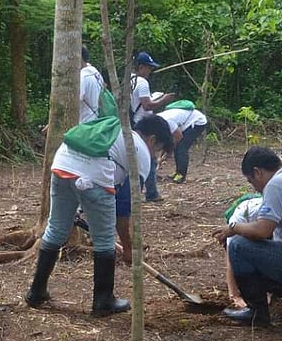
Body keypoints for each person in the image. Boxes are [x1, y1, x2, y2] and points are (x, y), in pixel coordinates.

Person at [26, 115, 175, 316]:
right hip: (93, 177)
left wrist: (79, 211)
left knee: (55, 230)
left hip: (61, 165)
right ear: (152, 139)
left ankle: (36, 292)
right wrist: (129, 247)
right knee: (104, 240)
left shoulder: (115, 132)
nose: (154, 155)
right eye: (157, 149)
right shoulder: (138, 150)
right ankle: (103, 301)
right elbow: (123, 208)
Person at [212, 147, 282, 327]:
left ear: (257, 172)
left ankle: (256, 312)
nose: (254, 188)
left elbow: (262, 230)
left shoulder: (277, 184)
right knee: (261, 256)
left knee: (239, 246)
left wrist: (233, 228)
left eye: (251, 181)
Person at [129, 52, 176, 202]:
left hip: (133, 123)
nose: (150, 71)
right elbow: (147, 104)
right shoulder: (142, 82)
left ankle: (144, 191)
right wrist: (164, 99)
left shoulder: (129, 80)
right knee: (149, 157)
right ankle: (151, 193)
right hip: (143, 125)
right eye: (148, 68)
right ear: (141, 67)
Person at [158, 103, 209, 183]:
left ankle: (181, 176)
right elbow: (168, 140)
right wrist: (163, 154)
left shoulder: (168, 121)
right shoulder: (159, 120)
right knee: (177, 147)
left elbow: (178, 137)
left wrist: (168, 152)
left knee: (182, 148)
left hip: (197, 121)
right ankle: (177, 173)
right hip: (185, 123)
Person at [79, 46, 107, 123]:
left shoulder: (82, 76)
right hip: (97, 118)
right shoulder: (96, 73)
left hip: (84, 121)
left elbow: (77, 100)